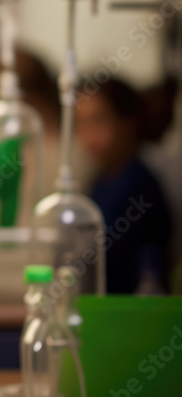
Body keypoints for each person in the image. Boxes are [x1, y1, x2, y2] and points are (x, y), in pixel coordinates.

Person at [75, 77, 174, 294]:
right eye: (81, 122)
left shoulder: (141, 187)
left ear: (128, 122)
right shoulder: (100, 180)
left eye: (98, 120)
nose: (88, 135)